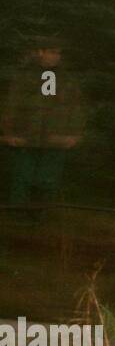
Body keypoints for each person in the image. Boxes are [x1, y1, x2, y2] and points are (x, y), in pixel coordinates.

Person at [2, 35, 84, 213]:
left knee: (48, 180)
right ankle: (18, 215)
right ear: (40, 52)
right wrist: (9, 133)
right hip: (26, 137)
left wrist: (74, 134)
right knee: (22, 178)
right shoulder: (23, 76)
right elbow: (11, 106)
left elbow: (76, 107)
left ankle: (42, 215)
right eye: (52, 52)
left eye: (58, 53)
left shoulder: (66, 79)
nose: (56, 56)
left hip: (55, 139)